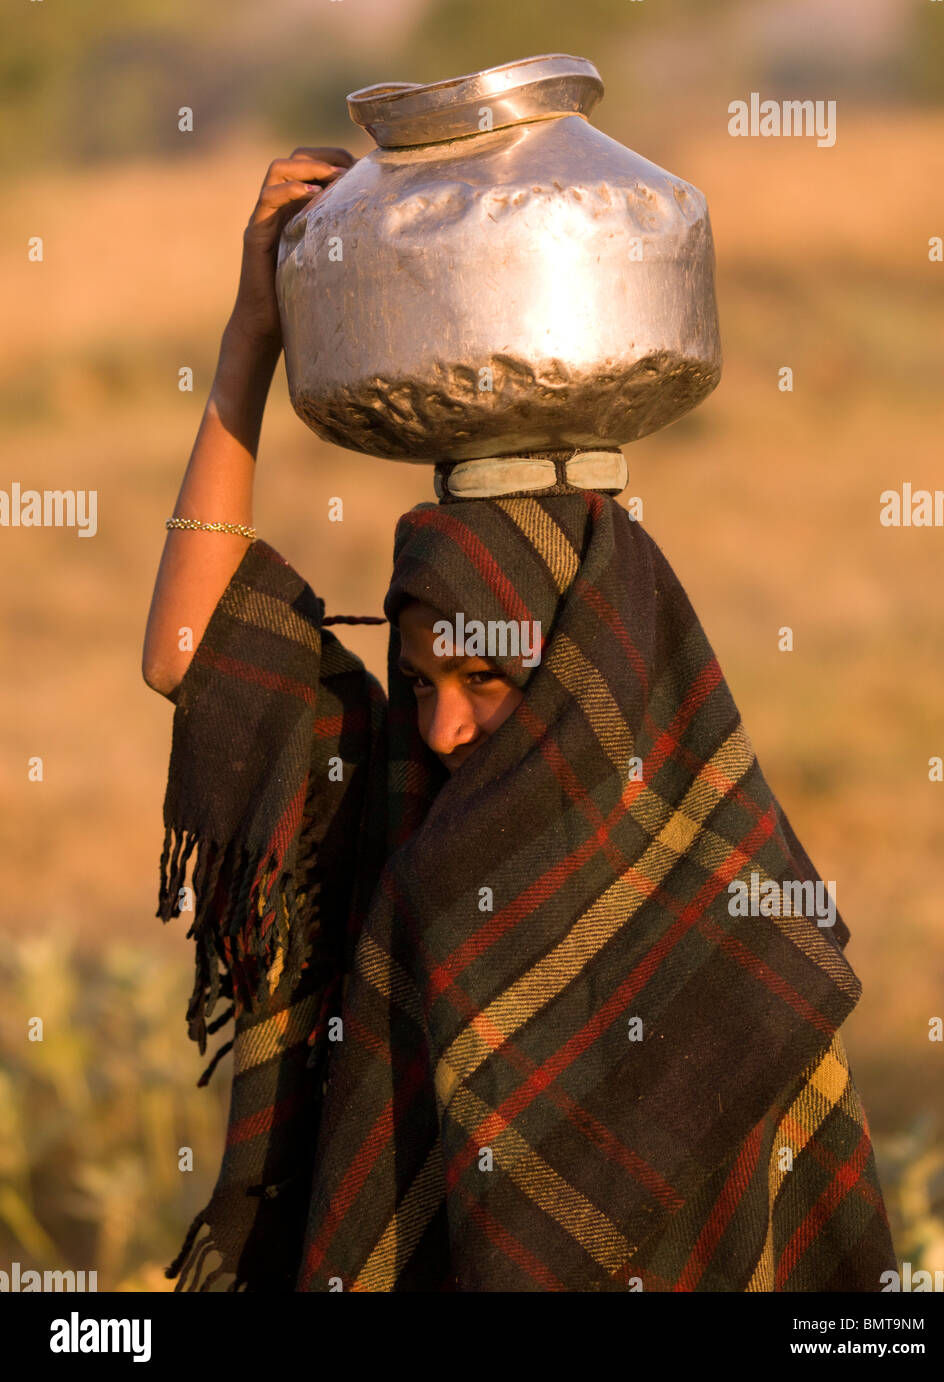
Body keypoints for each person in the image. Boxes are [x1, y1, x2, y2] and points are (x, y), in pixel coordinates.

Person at [143, 150, 898, 1293]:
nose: (443, 727)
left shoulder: (730, 931)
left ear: (590, 667)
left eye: (487, 684)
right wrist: (253, 336)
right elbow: (187, 658)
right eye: (421, 679)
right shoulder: (392, 812)